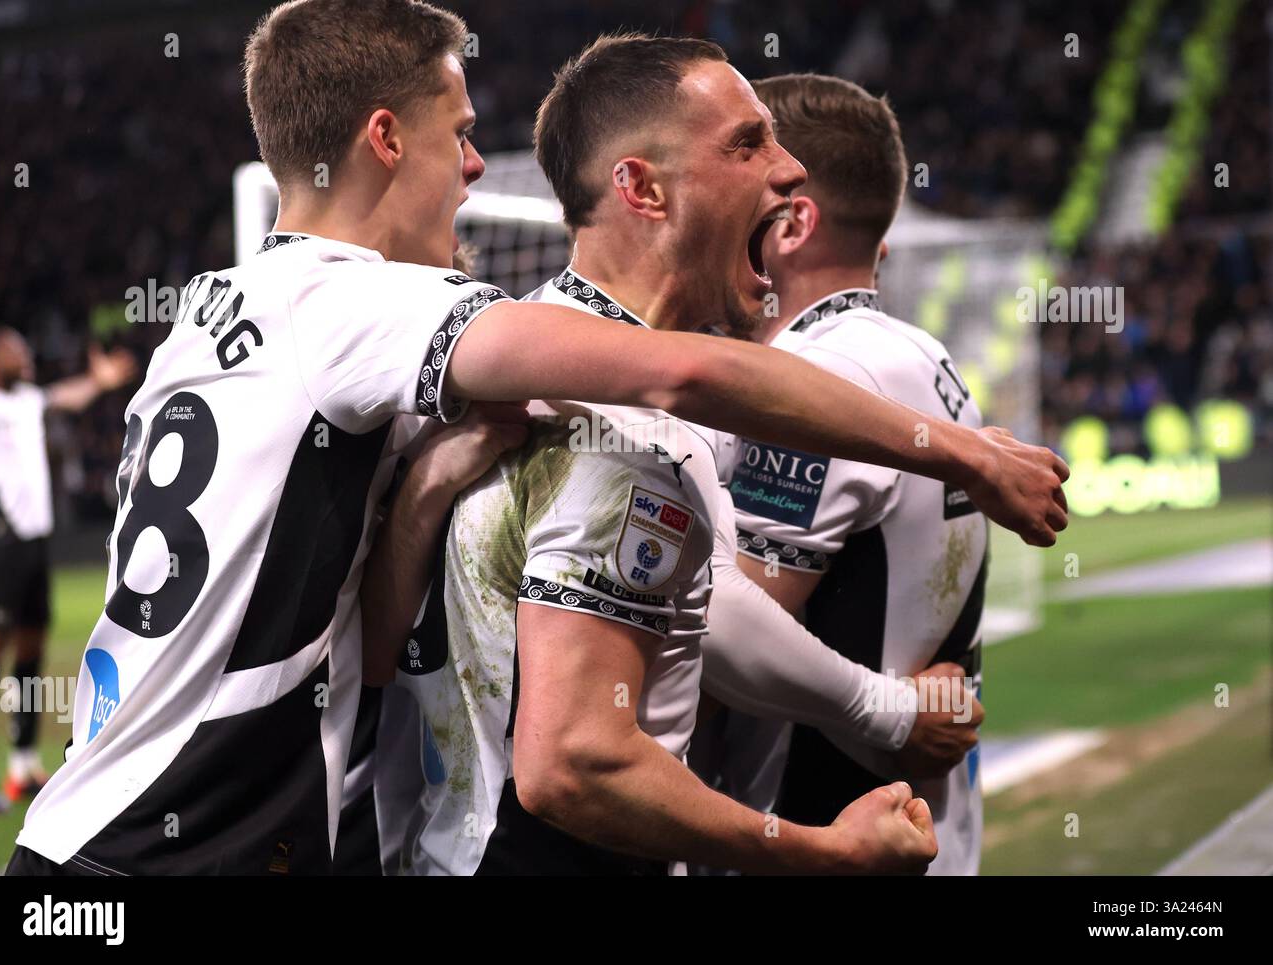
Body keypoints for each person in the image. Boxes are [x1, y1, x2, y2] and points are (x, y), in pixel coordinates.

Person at [9, 0, 1065, 876]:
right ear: (386, 138)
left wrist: (429, 492)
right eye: (459, 132)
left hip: (101, 825)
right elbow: (674, 374)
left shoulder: (210, 312)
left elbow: (367, 643)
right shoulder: (363, 312)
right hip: (187, 837)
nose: (475, 167)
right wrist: (960, 450)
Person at [368, 34, 945, 875]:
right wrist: (824, 851)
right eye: (748, 144)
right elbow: (572, 766)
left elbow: (700, 604)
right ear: (639, 187)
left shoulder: (513, 359)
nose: (789, 171)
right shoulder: (624, 431)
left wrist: (882, 708)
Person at [696, 73, 992, 874]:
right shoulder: (919, 353)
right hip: (924, 824)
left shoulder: (816, 378)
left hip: (822, 829)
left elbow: (723, 648)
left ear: (792, 222)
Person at [0, 328, 134, 815]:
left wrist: (99, 381)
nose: (23, 354)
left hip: (35, 542)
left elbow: (63, 397)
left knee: (31, 647)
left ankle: (22, 763)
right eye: (12, 349)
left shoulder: (28, 400)